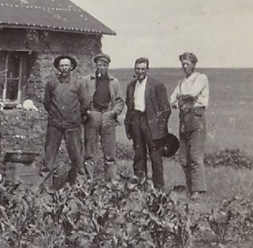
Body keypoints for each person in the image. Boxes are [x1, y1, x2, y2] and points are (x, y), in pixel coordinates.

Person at [124, 57, 172, 189]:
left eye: (142, 69)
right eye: (137, 69)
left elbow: (166, 109)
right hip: (136, 120)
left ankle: (159, 188)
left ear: (147, 70)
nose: (140, 71)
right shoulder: (131, 86)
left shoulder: (156, 85)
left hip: (151, 123)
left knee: (155, 155)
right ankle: (141, 184)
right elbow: (129, 107)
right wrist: (129, 125)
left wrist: (160, 128)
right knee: (139, 154)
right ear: (134, 69)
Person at [41, 53, 86, 186]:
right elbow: (47, 102)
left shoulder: (78, 83)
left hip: (72, 125)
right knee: (49, 157)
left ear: (71, 67)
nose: (64, 68)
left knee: (77, 156)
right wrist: (56, 114)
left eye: (67, 65)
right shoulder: (51, 83)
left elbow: (85, 103)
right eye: (62, 66)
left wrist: (75, 116)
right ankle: (44, 188)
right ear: (58, 68)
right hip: (54, 125)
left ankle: (80, 186)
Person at [170, 51, 211, 197]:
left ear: (194, 64)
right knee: (184, 156)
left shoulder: (201, 78)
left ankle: (198, 190)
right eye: (182, 63)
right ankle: (190, 188)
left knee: (195, 155)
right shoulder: (181, 82)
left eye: (187, 63)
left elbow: (192, 94)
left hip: (196, 117)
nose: (184, 66)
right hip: (184, 118)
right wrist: (180, 100)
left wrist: (181, 98)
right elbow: (172, 100)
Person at [81, 53, 125, 183]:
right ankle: (88, 181)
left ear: (108, 66)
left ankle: (110, 182)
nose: (101, 67)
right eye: (99, 64)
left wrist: (113, 113)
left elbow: (119, 101)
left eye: (104, 65)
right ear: (95, 65)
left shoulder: (114, 82)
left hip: (108, 115)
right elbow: (81, 98)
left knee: (110, 153)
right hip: (93, 114)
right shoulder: (87, 80)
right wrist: (87, 112)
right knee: (90, 152)